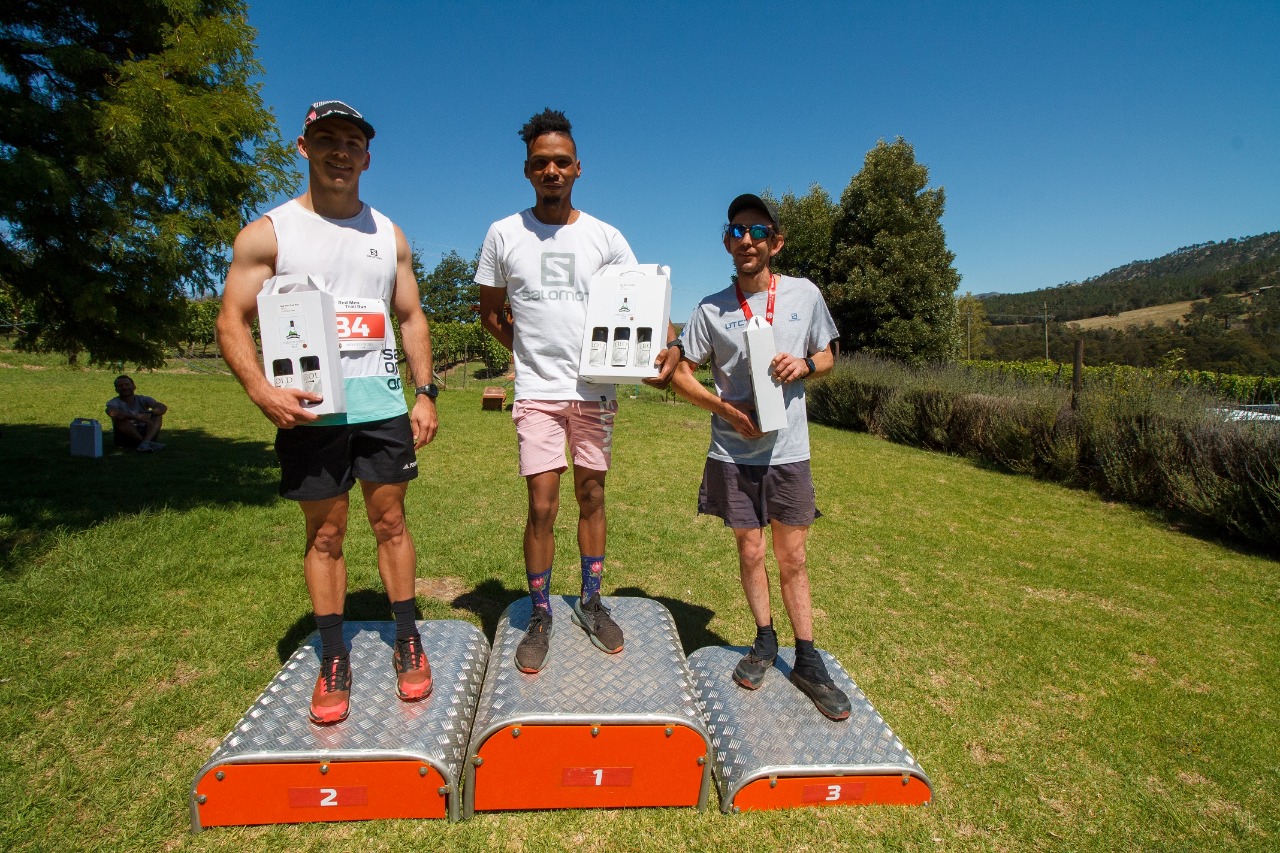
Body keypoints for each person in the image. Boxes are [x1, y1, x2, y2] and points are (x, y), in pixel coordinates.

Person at [216, 100, 439, 725]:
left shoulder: (387, 234)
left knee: (390, 521)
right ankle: (334, 655)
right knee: (326, 533)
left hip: (381, 405)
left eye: (351, 141)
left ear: (367, 156)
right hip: (311, 410)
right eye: (326, 139)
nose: (340, 151)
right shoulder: (269, 233)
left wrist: (425, 392)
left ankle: (408, 636)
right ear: (304, 147)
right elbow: (230, 318)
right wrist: (262, 390)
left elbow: (410, 315)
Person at [476, 109, 680, 673]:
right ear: (527, 170)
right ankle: (540, 612)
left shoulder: (605, 237)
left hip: (595, 392)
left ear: (577, 169)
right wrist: (526, 352)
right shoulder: (503, 233)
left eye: (561, 162)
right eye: (541, 162)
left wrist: (665, 346)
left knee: (592, 496)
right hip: (538, 392)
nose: (551, 171)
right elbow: (491, 313)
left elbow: (642, 300)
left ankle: (591, 602)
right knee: (541, 505)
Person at [670, 193, 852, 721]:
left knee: (792, 557)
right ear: (727, 242)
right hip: (733, 452)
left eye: (755, 230)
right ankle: (765, 640)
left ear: (775, 241)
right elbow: (677, 369)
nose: (744, 240)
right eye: (735, 231)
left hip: (789, 451)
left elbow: (828, 355)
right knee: (750, 553)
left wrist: (805, 366)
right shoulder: (710, 308)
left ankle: (808, 659)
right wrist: (726, 411)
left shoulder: (805, 294)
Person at [105, 375, 167, 452]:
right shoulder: (113, 402)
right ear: (116, 390)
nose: (124, 387)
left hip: (147, 432)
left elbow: (162, 407)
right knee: (120, 420)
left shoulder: (143, 399)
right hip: (125, 437)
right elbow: (111, 412)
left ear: (134, 387)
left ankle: (146, 442)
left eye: (127, 384)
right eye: (120, 386)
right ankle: (146, 443)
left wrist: (150, 414)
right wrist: (135, 417)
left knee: (157, 416)